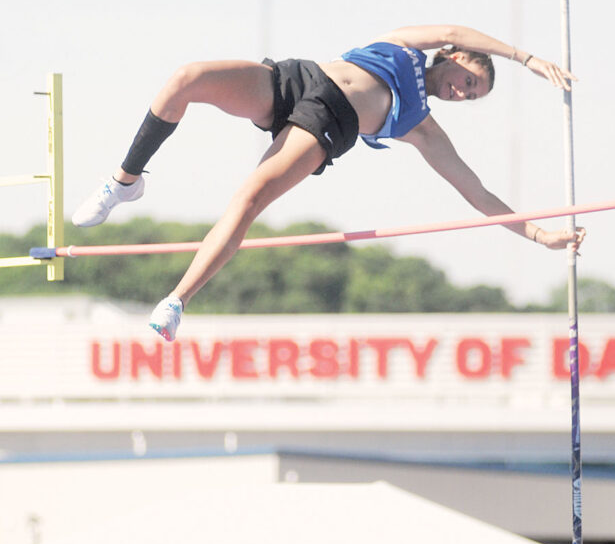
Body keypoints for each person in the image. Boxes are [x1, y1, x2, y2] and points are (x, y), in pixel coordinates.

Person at [72, 25, 584, 341]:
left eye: (472, 98)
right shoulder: (406, 44)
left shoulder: (421, 126)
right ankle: (125, 181)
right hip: (299, 79)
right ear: (452, 55)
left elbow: (478, 193)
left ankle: (176, 300)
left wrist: (541, 236)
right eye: (470, 81)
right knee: (186, 78)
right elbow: (456, 25)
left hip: (328, 120)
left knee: (248, 199)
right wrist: (527, 59)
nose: (463, 94)